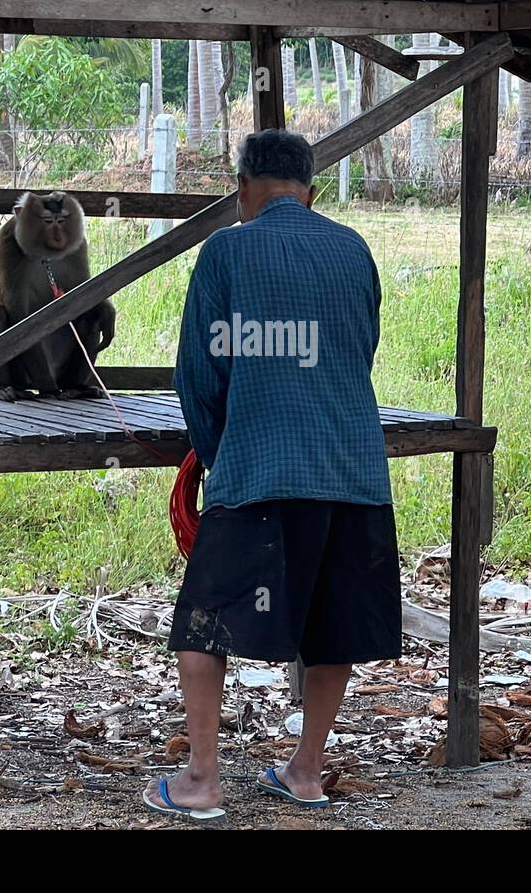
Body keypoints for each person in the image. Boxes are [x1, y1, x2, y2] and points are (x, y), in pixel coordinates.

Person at [143, 129, 401, 821]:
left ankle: (201, 780)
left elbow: (197, 373)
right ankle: (306, 770)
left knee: (201, 624)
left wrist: (218, 457)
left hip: (260, 470)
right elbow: (362, 347)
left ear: (242, 191)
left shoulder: (227, 248)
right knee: (334, 627)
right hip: (354, 471)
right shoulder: (353, 248)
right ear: (310, 192)